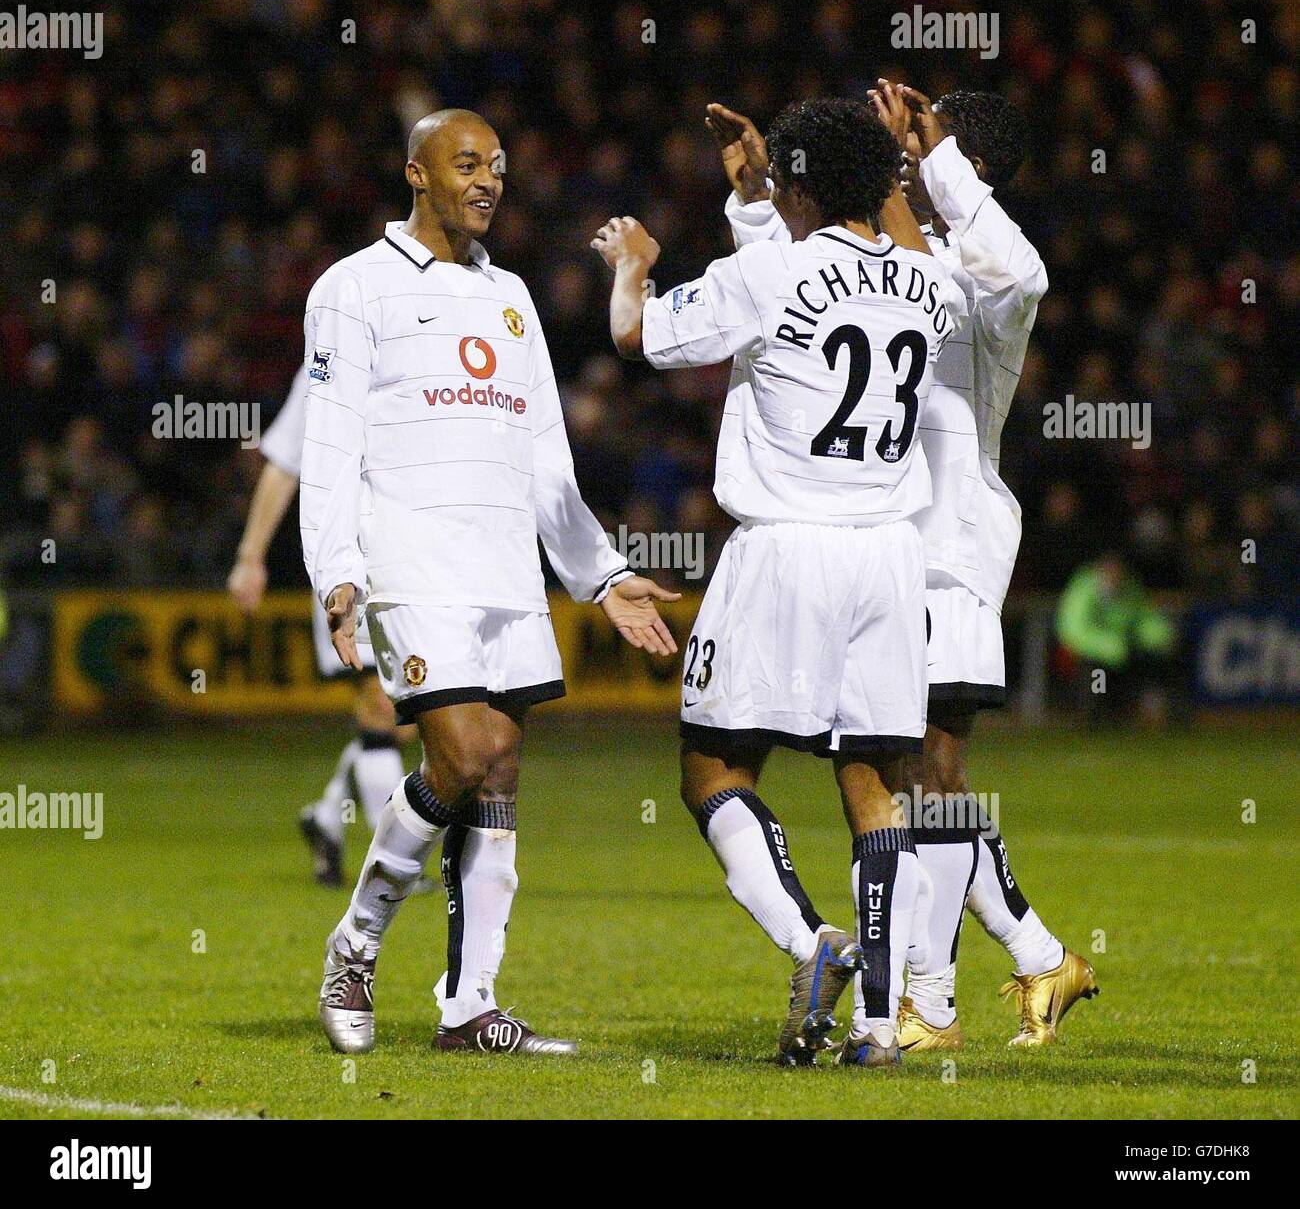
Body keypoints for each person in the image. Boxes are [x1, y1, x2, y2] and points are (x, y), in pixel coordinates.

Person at [710, 84, 1097, 1049]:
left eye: (925, 147)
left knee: (917, 780)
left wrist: (922, 166)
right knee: (901, 781)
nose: (905, 161)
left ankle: (937, 997)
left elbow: (1022, 268)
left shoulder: (980, 284)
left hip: (945, 557)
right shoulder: (888, 269)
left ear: (963, 167)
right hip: (876, 559)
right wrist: (764, 199)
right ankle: (1024, 961)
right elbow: (781, 296)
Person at [594, 97, 965, 1067]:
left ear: (796, 189)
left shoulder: (766, 269)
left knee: (713, 769)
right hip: (888, 551)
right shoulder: (931, 283)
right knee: (875, 788)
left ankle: (811, 944)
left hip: (782, 550)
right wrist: (776, 183)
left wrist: (630, 262)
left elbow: (637, 334)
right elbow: (866, 238)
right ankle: (881, 1027)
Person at [302, 108, 679, 1056]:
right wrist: (337, 574)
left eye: (499, 166)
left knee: (500, 773)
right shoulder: (352, 288)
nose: (487, 180)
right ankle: (355, 942)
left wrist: (603, 574)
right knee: (462, 756)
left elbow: (546, 455)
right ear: (416, 173)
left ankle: (470, 1004)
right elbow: (330, 441)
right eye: (466, 163)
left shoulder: (511, 296)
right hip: (413, 563)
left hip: (506, 567)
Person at [228, 364, 414, 888]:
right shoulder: (330, 364)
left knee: (409, 714)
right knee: (381, 702)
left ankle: (329, 815)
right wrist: (251, 555)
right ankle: (392, 865)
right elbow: (285, 462)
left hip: (423, 557)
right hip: (351, 562)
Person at [1057, 551, 1177, 723]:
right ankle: (1093, 715)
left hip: (1122, 653)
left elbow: (1143, 619)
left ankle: (1146, 713)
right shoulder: (1084, 589)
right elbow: (1072, 631)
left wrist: (1160, 635)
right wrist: (1108, 645)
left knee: (1154, 660)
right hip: (1087, 656)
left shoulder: (1129, 589)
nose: (1114, 577)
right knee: (1097, 675)